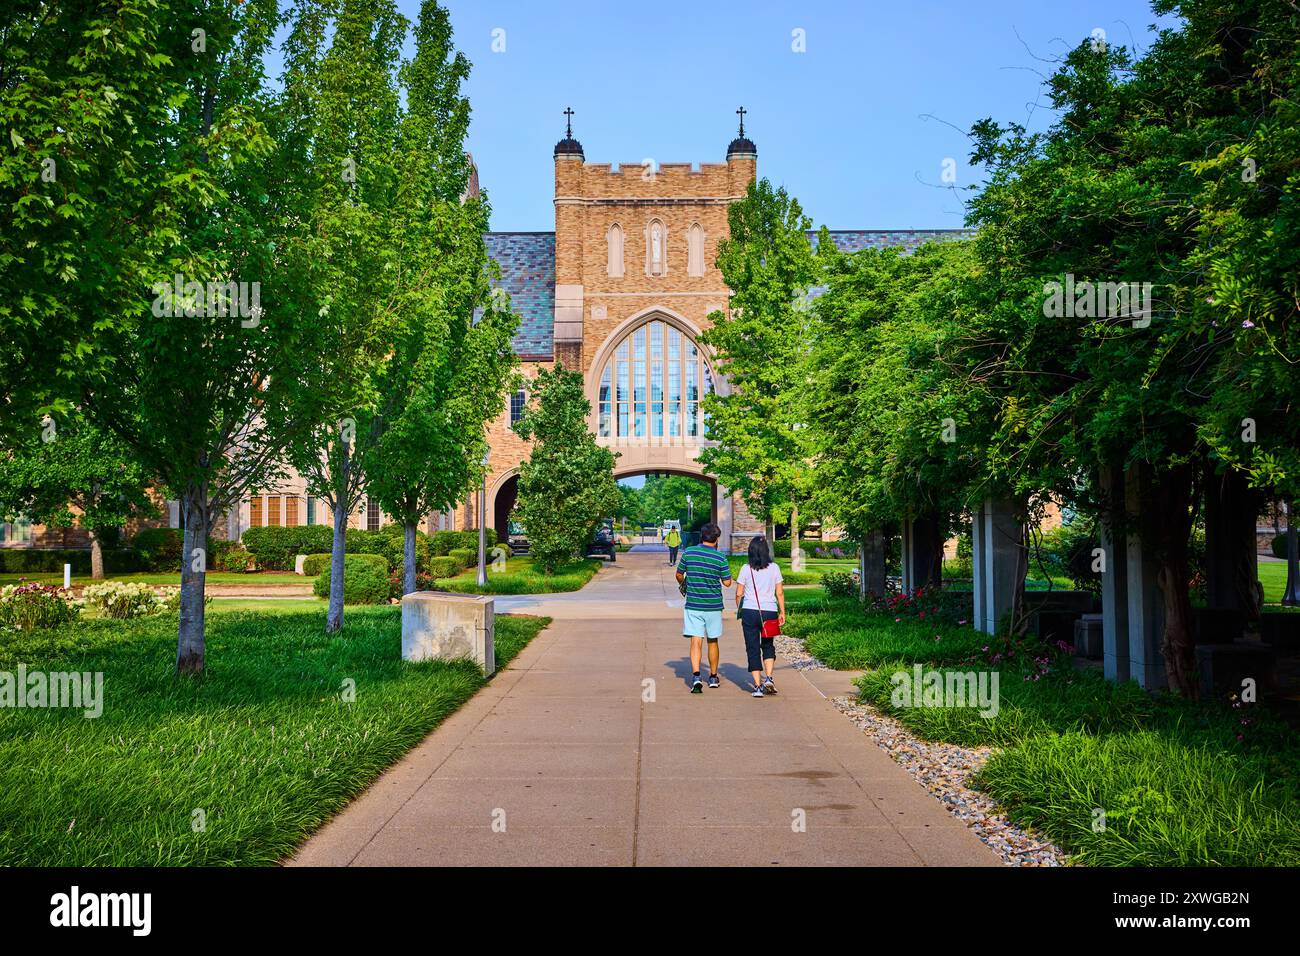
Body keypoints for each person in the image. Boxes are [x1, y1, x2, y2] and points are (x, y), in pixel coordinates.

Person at [676, 522, 733, 692]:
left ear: (701, 536)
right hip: (714, 606)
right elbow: (728, 582)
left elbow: (679, 574)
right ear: (716, 539)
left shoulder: (689, 552)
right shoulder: (720, 557)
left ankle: (696, 676)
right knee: (713, 640)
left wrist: (685, 583)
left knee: (696, 640)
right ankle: (714, 676)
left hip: (693, 604)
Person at [733, 536, 785, 697]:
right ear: (766, 552)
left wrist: (740, 609)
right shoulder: (774, 568)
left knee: (752, 647)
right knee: (768, 645)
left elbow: (739, 593)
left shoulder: (745, 569)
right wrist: (782, 611)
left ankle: (757, 686)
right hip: (769, 611)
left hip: (749, 611)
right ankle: (769, 678)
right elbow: (780, 592)